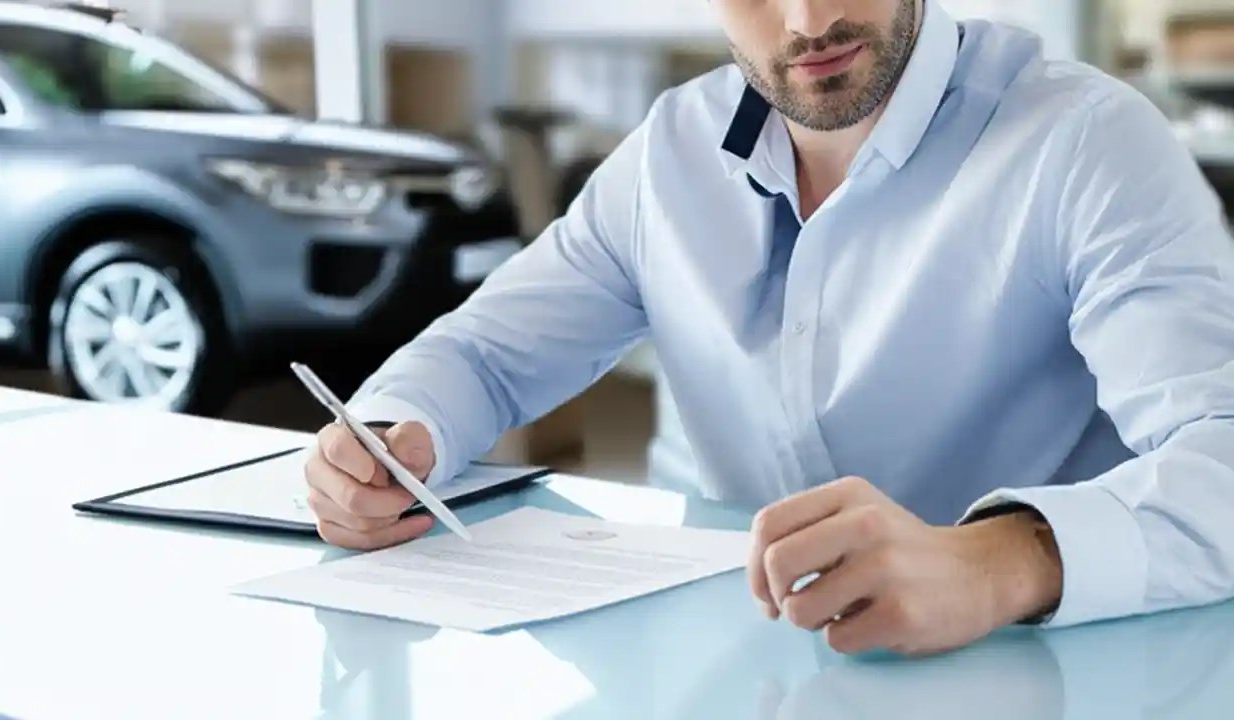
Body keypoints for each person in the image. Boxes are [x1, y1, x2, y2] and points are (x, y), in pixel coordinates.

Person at [304, 0, 1234, 656]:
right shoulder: (671, 151)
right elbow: (486, 353)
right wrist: (397, 437)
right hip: (716, 661)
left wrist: (1000, 559)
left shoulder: (1085, 141)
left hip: (1022, 675)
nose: (805, 20)